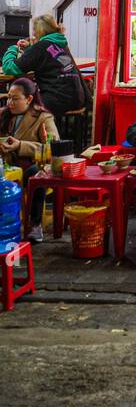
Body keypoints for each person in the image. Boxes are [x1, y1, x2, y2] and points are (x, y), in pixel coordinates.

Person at [2, 14, 85, 137]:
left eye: (34, 30)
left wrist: (12, 49)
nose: (33, 33)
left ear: (38, 31)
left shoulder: (40, 48)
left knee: (20, 105)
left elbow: (9, 68)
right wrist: (31, 47)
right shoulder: (61, 44)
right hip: (77, 98)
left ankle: (18, 141)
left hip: (57, 99)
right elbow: (50, 56)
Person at [0, 78, 59, 243]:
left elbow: (53, 147)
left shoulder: (43, 117)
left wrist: (20, 145)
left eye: (15, 98)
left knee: (36, 175)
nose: (10, 102)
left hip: (33, 165)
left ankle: (35, 223)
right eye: (9, 97)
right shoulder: (4, 114)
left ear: (29, 99)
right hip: (7, 165)